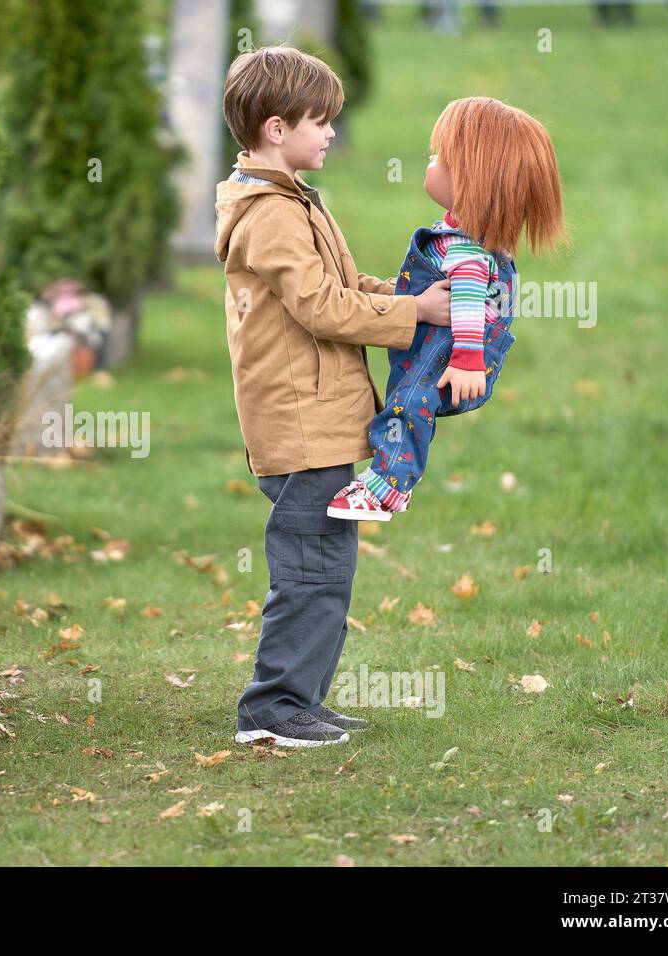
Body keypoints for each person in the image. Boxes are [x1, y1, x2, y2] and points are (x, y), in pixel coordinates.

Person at [214, 46, 453, 747]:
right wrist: (417, 316)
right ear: (276, 128)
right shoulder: (271, 215)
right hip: (297, 421)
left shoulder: (293, 201)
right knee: (310, 569)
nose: (332, 134)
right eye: (322, 122)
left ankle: (301, 699)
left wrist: (409, 295)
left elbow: (343, 287)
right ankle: (272, 708)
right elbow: (322, 308)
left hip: (317, 417)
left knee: (326, 567)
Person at [327, 97, 566, 521]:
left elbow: (472, 303)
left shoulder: (467, 254)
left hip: (450, 354)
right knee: (410, 403)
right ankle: (395, 478)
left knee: (408, 403)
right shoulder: (467, 238)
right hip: (443, 348)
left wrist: (469, 360)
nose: (430, 162)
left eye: (440, 158)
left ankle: (385, 486)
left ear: (473, 181)